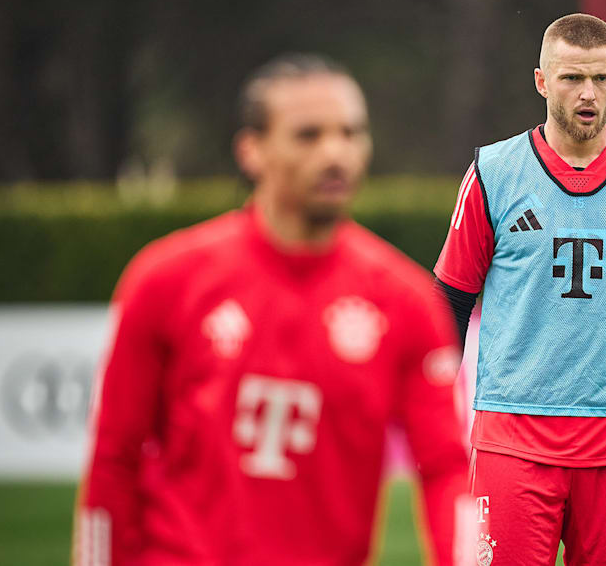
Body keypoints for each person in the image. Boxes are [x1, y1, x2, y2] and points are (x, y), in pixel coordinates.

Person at [74, 54, 470, 566]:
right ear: (252, 150)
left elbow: (445, 468)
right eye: (309, 135)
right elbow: (114, 459)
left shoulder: (405, 301)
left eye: (351, 133)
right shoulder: (165, 281)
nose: (336, 153)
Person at [435, 13, 606, 565]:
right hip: (511, 440)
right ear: (542, 81)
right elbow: (449, 301)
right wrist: (435, 428)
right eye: (571, 78)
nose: (588, 93)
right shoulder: (493, 172)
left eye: (601, 78)